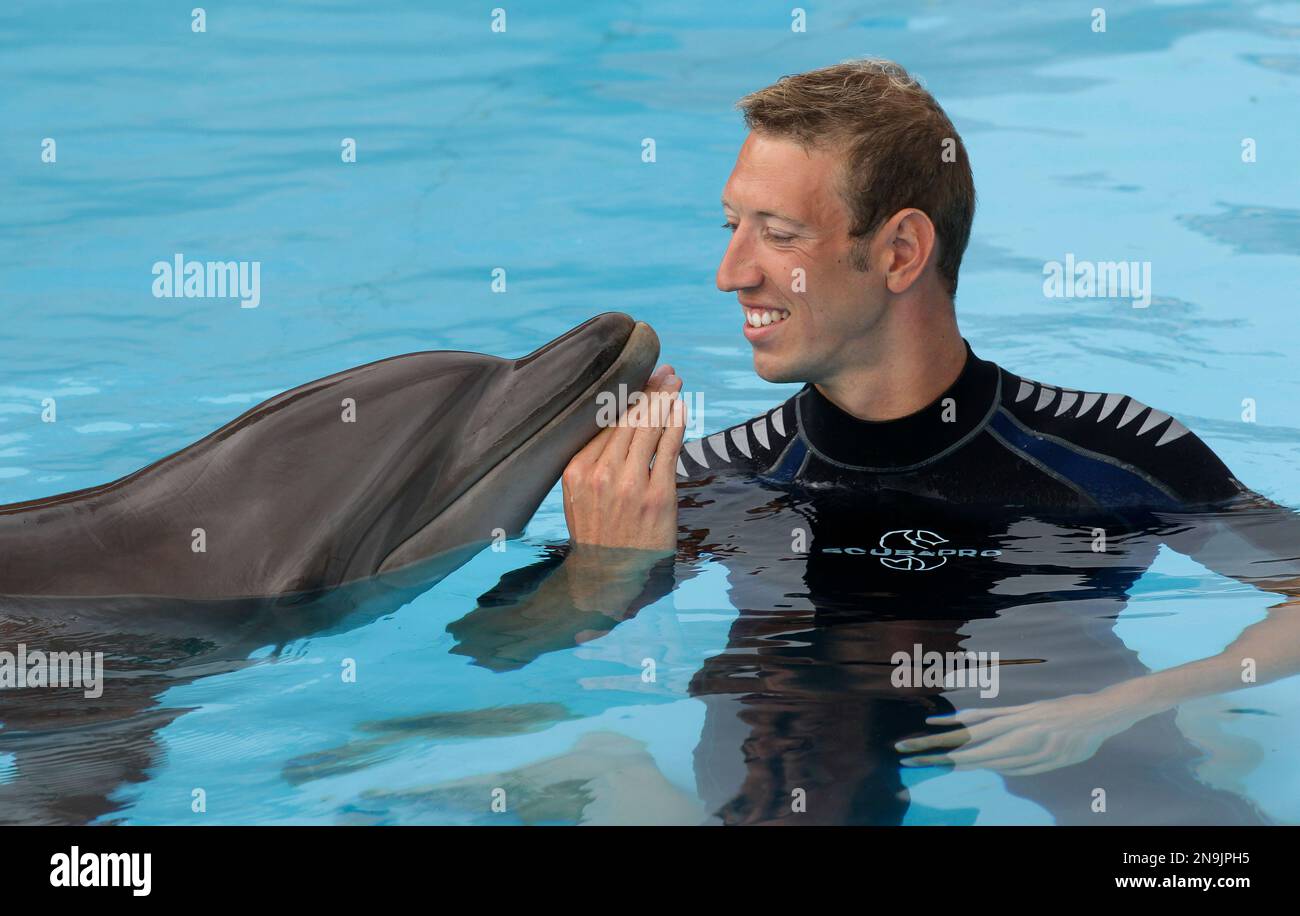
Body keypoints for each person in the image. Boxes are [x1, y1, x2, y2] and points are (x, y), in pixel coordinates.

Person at [449, 59, 1300, 825]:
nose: (732, 272)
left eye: (778, 236)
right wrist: (606, 569)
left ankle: (1205, 734)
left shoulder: (1108, 451)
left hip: (1052, 704)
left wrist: (1130, 703)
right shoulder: (718, 481)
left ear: (899, 252)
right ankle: (617, 774)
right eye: (731, 227)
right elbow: (494, 646)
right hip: (807, 707)